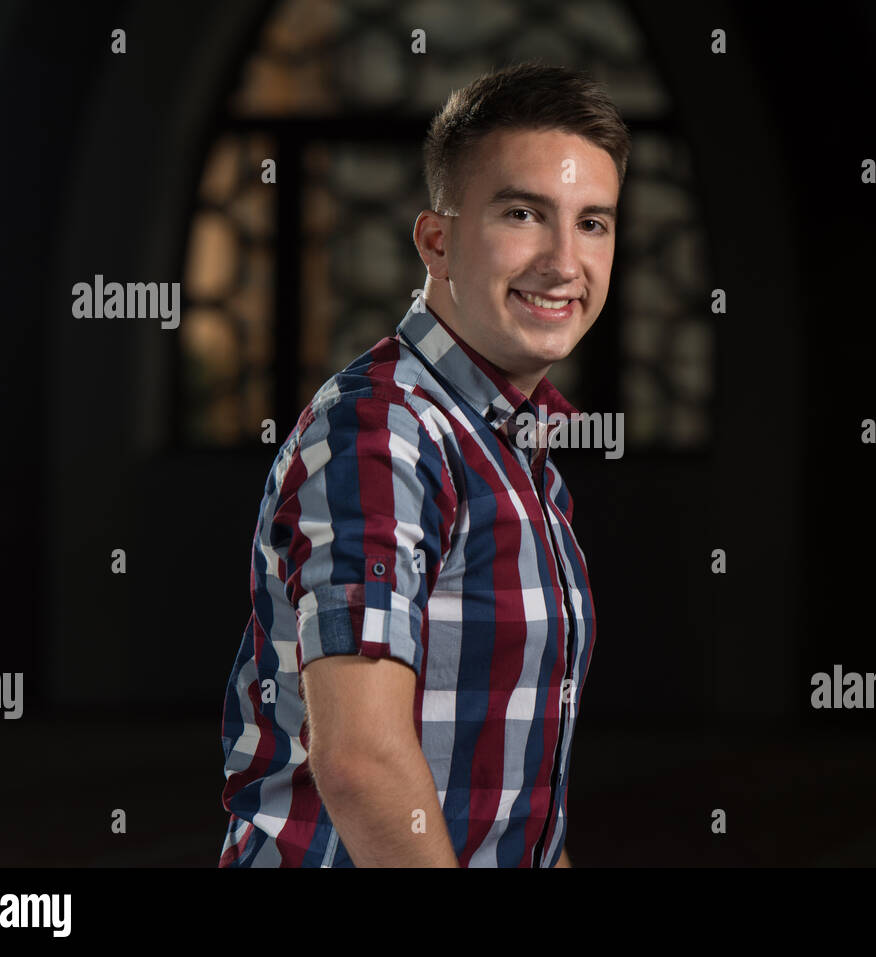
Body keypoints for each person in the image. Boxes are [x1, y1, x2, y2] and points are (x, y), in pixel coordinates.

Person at [217, 61, 629, 867]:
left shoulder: (518, 449)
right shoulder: (383, 430)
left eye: (593, 223)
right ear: (436, 241)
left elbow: (519, 802)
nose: (562, 260)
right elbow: (361, 760)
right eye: (523, 213)